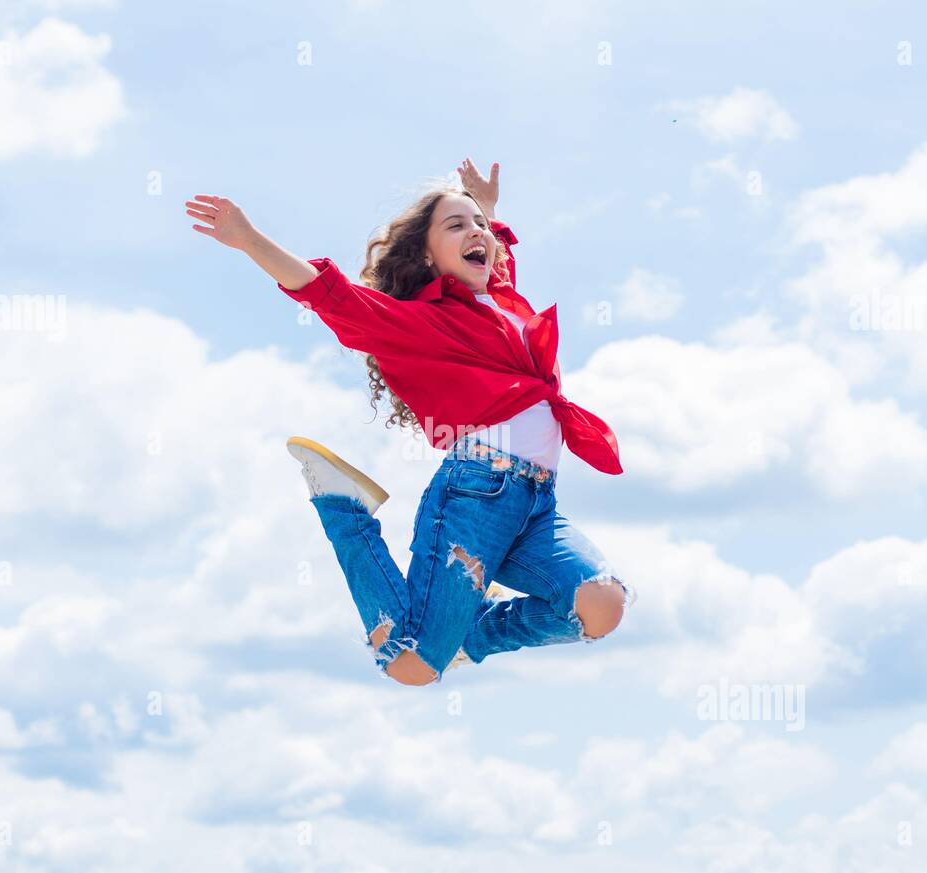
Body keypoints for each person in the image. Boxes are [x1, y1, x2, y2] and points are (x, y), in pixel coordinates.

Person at [186, 159, 634, 686]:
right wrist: (249, 240)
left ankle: (472, 637)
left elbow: (495, 255)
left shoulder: (504, 301)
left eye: (481, 229)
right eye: (456, 225)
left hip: (537, 504)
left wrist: (483, 210)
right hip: (476, 498)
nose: (477, 235)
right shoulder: (424, 322)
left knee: (600, 605)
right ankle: (343, 509)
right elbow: (334, 299)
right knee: (411, 667)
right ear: (426, 254)